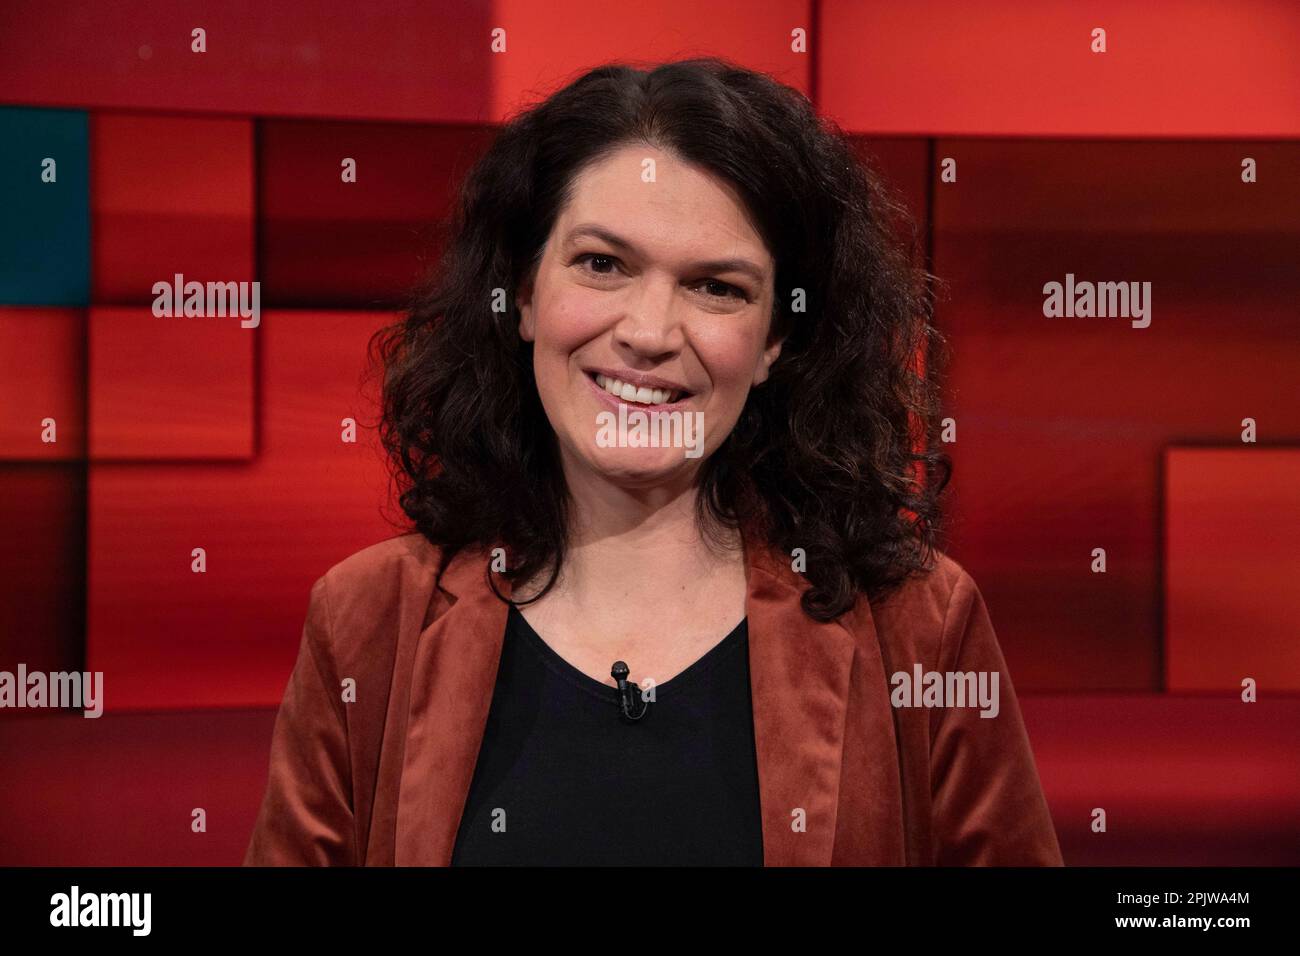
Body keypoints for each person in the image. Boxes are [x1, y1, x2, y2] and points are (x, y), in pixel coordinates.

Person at [243, 57, 1063, 866]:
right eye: (602, 265)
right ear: (523, 294)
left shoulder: (919, 628)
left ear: (777, 339)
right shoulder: (369, 621)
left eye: (717, 288)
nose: (648, 330)